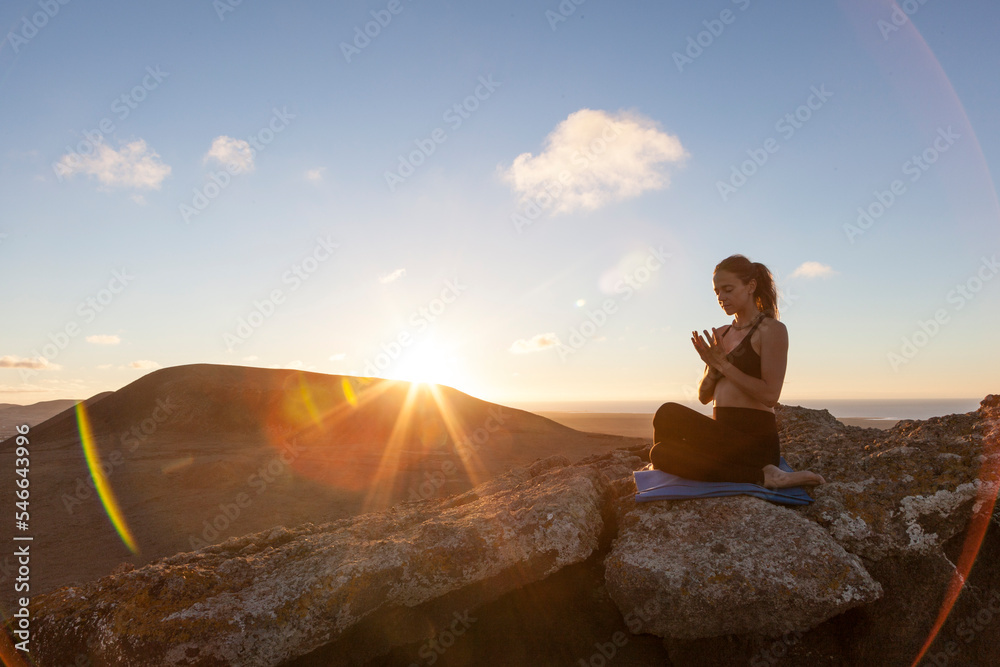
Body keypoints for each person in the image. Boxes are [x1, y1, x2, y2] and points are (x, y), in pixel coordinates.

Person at [648, 254, 825, 489]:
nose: (721, 297)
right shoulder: (721, 333)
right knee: (663, 433)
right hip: (721, 436)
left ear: (750, 286)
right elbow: (703, 397)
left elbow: (770, 395)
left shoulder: (771, 330)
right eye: (717, 292)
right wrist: (712, 367)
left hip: (754, 444)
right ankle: (750, 474)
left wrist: (724, 365)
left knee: (664, 447)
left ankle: (764, 476)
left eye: (728, 289)